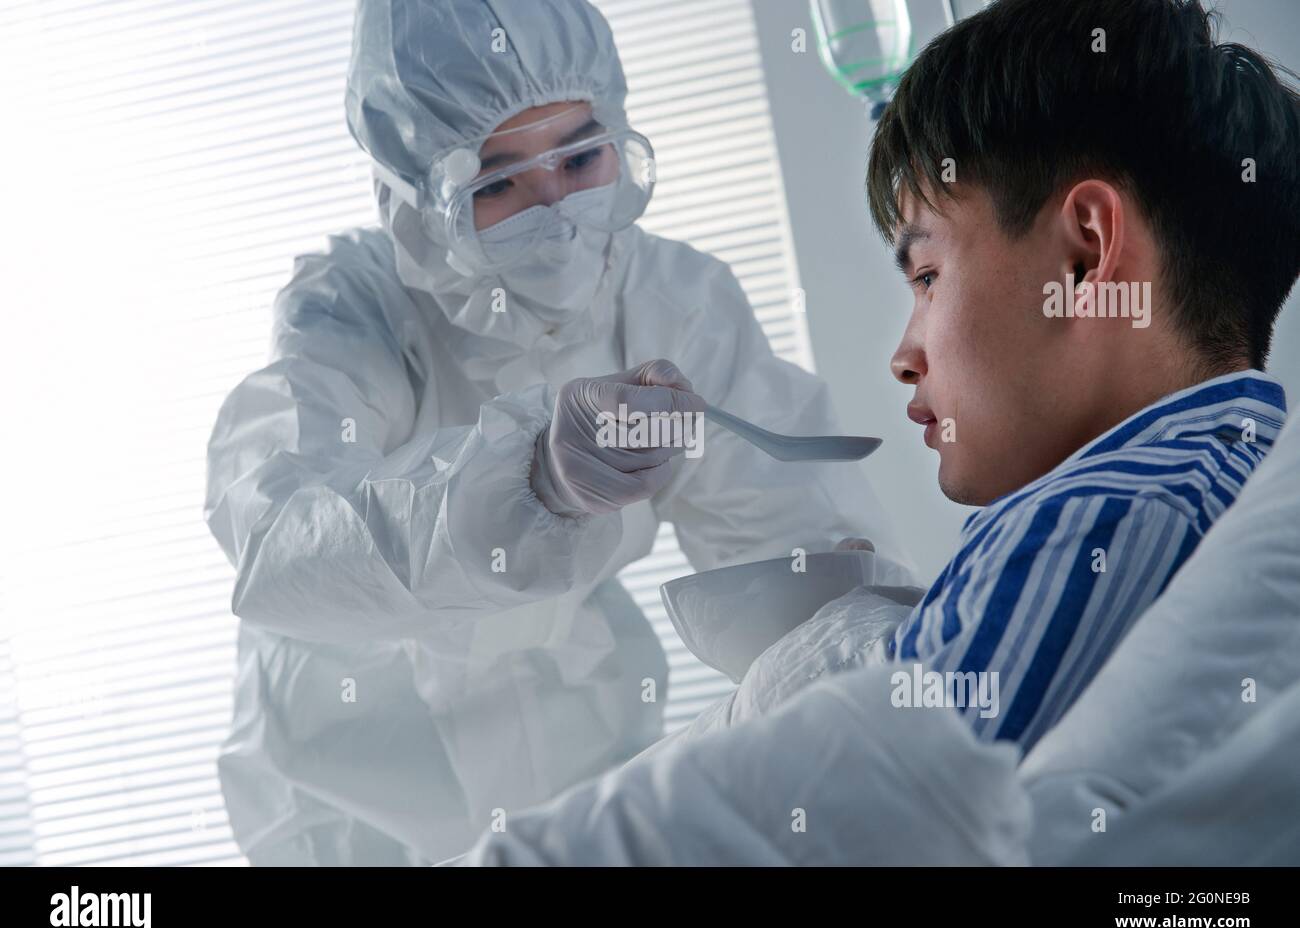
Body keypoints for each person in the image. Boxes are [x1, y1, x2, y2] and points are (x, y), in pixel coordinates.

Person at [451, 0, 1299, 863]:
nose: (903, 353)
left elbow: (889, 815)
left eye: (927, 273)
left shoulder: (1108, 515)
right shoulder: (1232, 474)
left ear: (1083, 259)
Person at [204, 0, 909, 866]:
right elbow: (283, 536)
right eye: (497, 182)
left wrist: (893, 677)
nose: (559, 210)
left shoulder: (675, 305)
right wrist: (531, 480)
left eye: (581, 157)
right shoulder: (354, 312)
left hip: (573, 715)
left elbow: (797, 550)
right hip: (347, 772)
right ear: (417, 196)